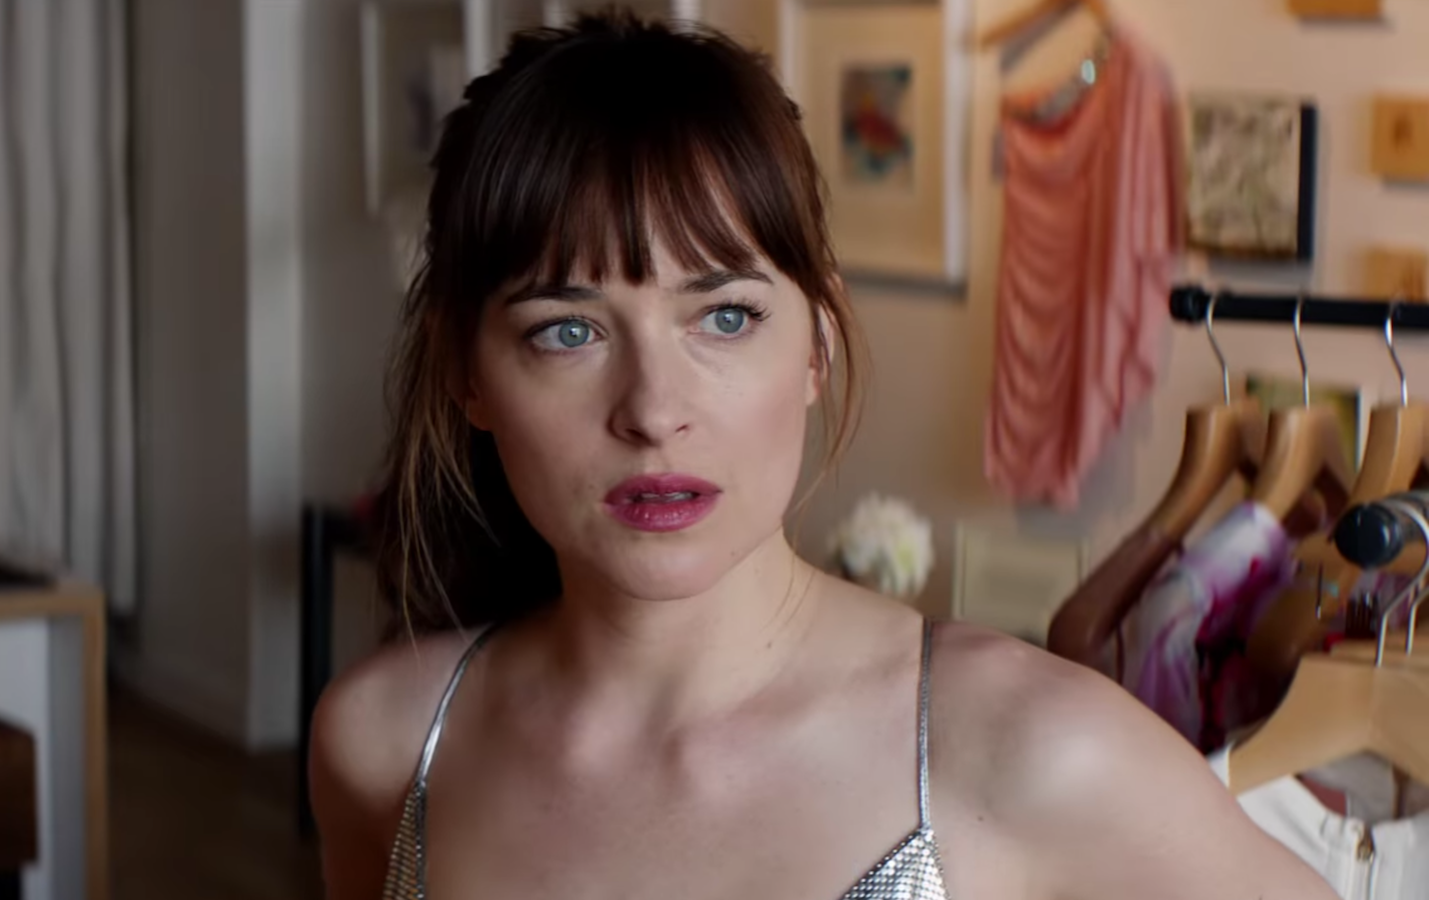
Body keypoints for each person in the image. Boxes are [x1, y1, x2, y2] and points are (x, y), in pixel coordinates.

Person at [310, 11, 1336, 900]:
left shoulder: (1030, 751)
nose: (654, 411)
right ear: (467, 371)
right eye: (567, 332)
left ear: (817, 345)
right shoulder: (386, 746)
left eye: (725, 317)